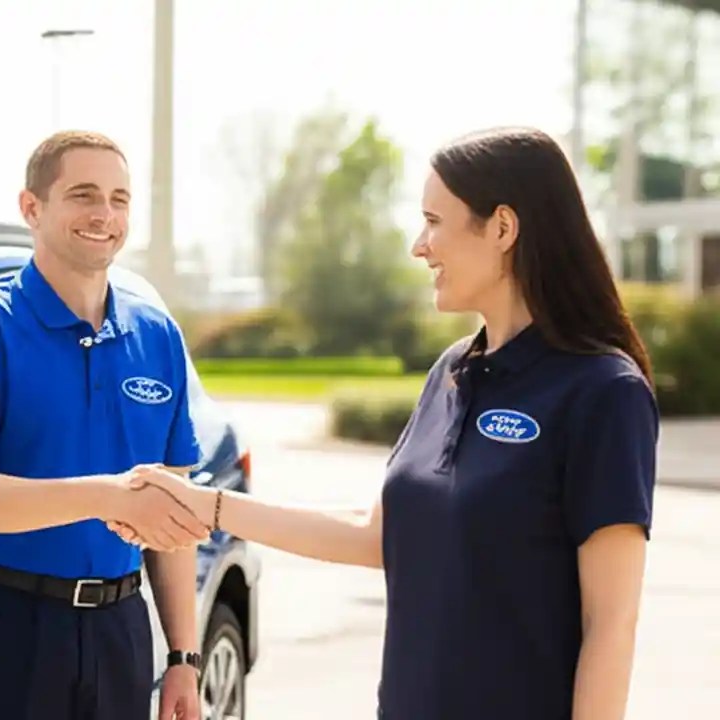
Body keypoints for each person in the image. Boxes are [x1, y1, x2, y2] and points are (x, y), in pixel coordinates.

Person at [124, 126, 660, 720]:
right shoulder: (453, 372)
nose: (419, 245)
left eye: (434, 221)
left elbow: (610, 622)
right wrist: (204, 505)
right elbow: (375, 535)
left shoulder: (602, 392)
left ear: (504, 228)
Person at [0, 129, 210, 720]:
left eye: (119, 199)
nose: (105, 214)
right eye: (83, 194)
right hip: (5, 629)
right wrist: (108, 496)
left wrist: (182, 656)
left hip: (121, 632)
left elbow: (172, 520)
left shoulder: (158, 336)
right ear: (32, 208)